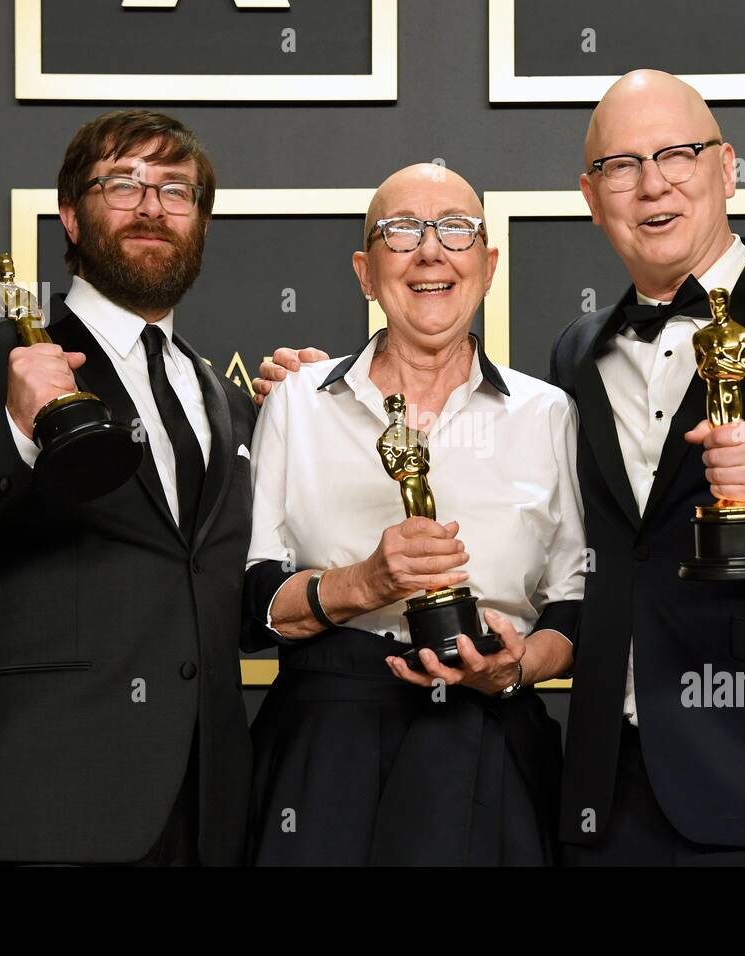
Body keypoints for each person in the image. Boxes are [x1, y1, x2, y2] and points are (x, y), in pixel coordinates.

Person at [253, 71, 745, 866]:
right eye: (621, 166)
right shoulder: (576, 356)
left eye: (678, 155)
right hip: (610, 791)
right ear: (592, 197)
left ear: (726, 168)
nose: (652, 184)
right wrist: (322, 390)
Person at [0, 109, 258, 865]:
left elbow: (214, 595)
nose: (152, 206)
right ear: (71, 216)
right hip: (34, 808)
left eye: (176, 190)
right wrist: (13, 431)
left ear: (201, 224)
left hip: (206, 816)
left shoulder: (228, 400)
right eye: (124, 184)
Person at [242, 163, 584, 865]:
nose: (431, 249)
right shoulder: (296, 401)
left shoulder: (548, 414)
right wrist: (363, 583)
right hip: (323, 745)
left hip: (489, 734)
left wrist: (516, 669)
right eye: (402, 232)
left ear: (487, 266)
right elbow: (254, 604)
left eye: (456, 230)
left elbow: (576, 609)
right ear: (366, 272)